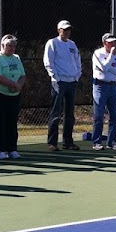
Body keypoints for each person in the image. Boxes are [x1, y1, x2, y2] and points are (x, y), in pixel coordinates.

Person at [43, 19, 82, 151]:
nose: (67, 32)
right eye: (64, 30)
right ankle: (52, 143)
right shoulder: (52, 43)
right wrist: (56, 78)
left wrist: (76, 76)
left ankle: (68, 142)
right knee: (56, 113)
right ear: (58, 30)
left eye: (69, 30)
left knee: (69, 114)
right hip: (59, 82)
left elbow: (77, 61)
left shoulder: (72, 44)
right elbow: (48, 62)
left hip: (72, 82)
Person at [0, 34, 25, 159]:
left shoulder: (16, 58)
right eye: (9, 46)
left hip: (14, 95)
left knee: (12, 122)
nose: (12, 48)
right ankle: (0, 150)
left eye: (14, 46)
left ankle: (12, 149)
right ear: (3, 45)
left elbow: (22, 75)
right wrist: (13, 84)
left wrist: (18, 86)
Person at [90, 32, 116, 150]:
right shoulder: (97, 54)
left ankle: (112, 142)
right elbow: (103, 68)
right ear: (104, 43)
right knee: (98, 115)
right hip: (100, 86)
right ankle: (96, 142)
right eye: (110, 42)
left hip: (113, 86)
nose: (113, 45)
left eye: (114, 42)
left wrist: (109, 67)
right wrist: (110, 59)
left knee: (114, 115)